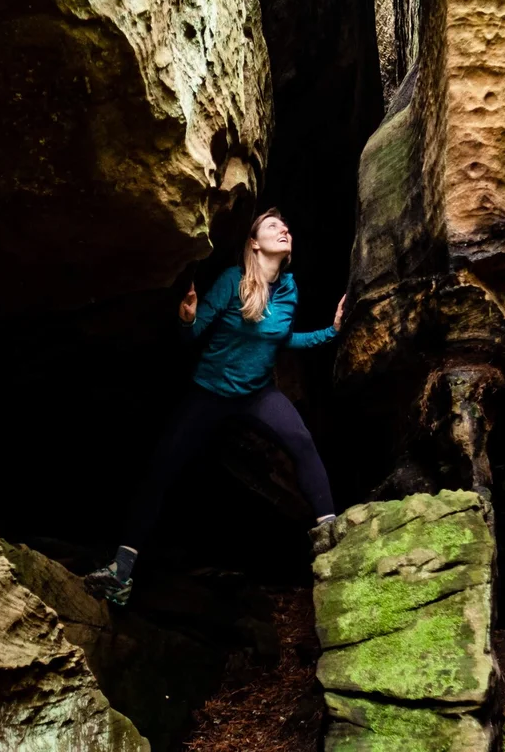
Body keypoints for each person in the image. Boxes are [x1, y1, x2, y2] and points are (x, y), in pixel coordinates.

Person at [83, 208, 345, 606]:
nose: (284, 229)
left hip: (257, 393)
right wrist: (187, 320)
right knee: (162, 469)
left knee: (301, 441)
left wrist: (332, 332)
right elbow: (194, 336)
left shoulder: (289, 289)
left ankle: (334, 542)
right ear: (254, 243)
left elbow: (282, 340)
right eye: (273, 226)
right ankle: (120, 573)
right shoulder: (231, 281)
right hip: (209, 392)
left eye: (286, 226)